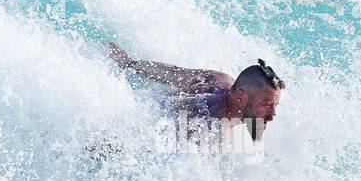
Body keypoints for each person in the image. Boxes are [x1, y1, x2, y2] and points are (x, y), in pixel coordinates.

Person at [105, 42, 284, 141]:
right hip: (137, 119)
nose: (273, 113)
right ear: (240, 98)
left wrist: (129, 64)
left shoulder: (220, 80)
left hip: (150, 102)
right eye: (266, 104)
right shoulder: (207, 125)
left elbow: (173, 73)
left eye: (275, 105)